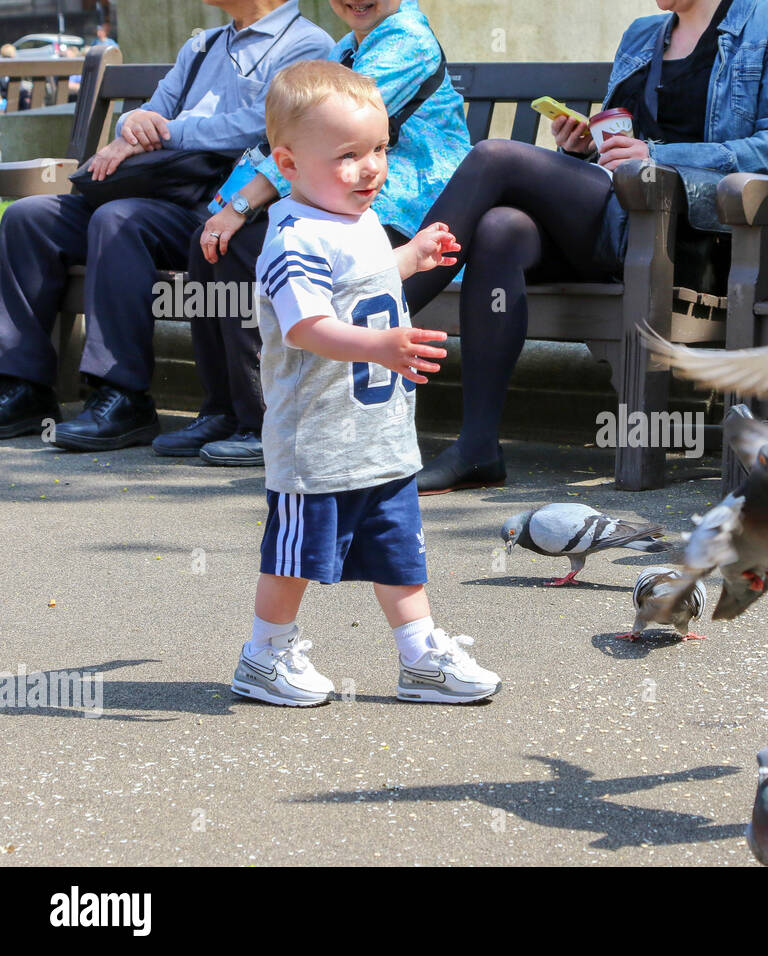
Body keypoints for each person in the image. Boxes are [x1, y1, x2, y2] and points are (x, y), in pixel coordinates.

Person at [401, 0, 768, 494]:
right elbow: (620, 150)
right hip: (620, 217)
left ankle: (377, 311)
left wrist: (656, 156)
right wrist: (581, 150)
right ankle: (477, 449)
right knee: (500, 229)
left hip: (690, 237)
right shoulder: (644, 34)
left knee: (494, 156)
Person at [231, 60, 501, 708]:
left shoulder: (359, 221)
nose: (371, 168)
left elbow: (370, 279)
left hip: (379, 438)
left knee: (399, 552)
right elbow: (306, 326)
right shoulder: (294, 238)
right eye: (348, 156)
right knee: (292, 559)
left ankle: (420, 657)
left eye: (379, 149)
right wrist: (381, 345)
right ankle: (263, 655)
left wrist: (412, 256)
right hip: (317, 444)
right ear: (289, 165)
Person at [0, 1, 333, 448]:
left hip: (217, 205)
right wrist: (132, 124)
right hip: (156, 191)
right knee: (29, 218)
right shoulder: (203, 44)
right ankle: (24, 388)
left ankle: (123, 396)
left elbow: (264, 127)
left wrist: (169, 132)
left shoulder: (306, 44)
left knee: (118, 220)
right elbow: (152, 112)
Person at [157, 0, 470, 467]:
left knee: (243, 243)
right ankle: (224, 407)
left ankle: (262, 420)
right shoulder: (347, 48)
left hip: (398, 207)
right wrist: (225, 206)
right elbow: (285, 143)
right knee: (212, 242)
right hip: (339, 198)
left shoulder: (408, 40)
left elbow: (318, 139)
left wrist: (240, 206)